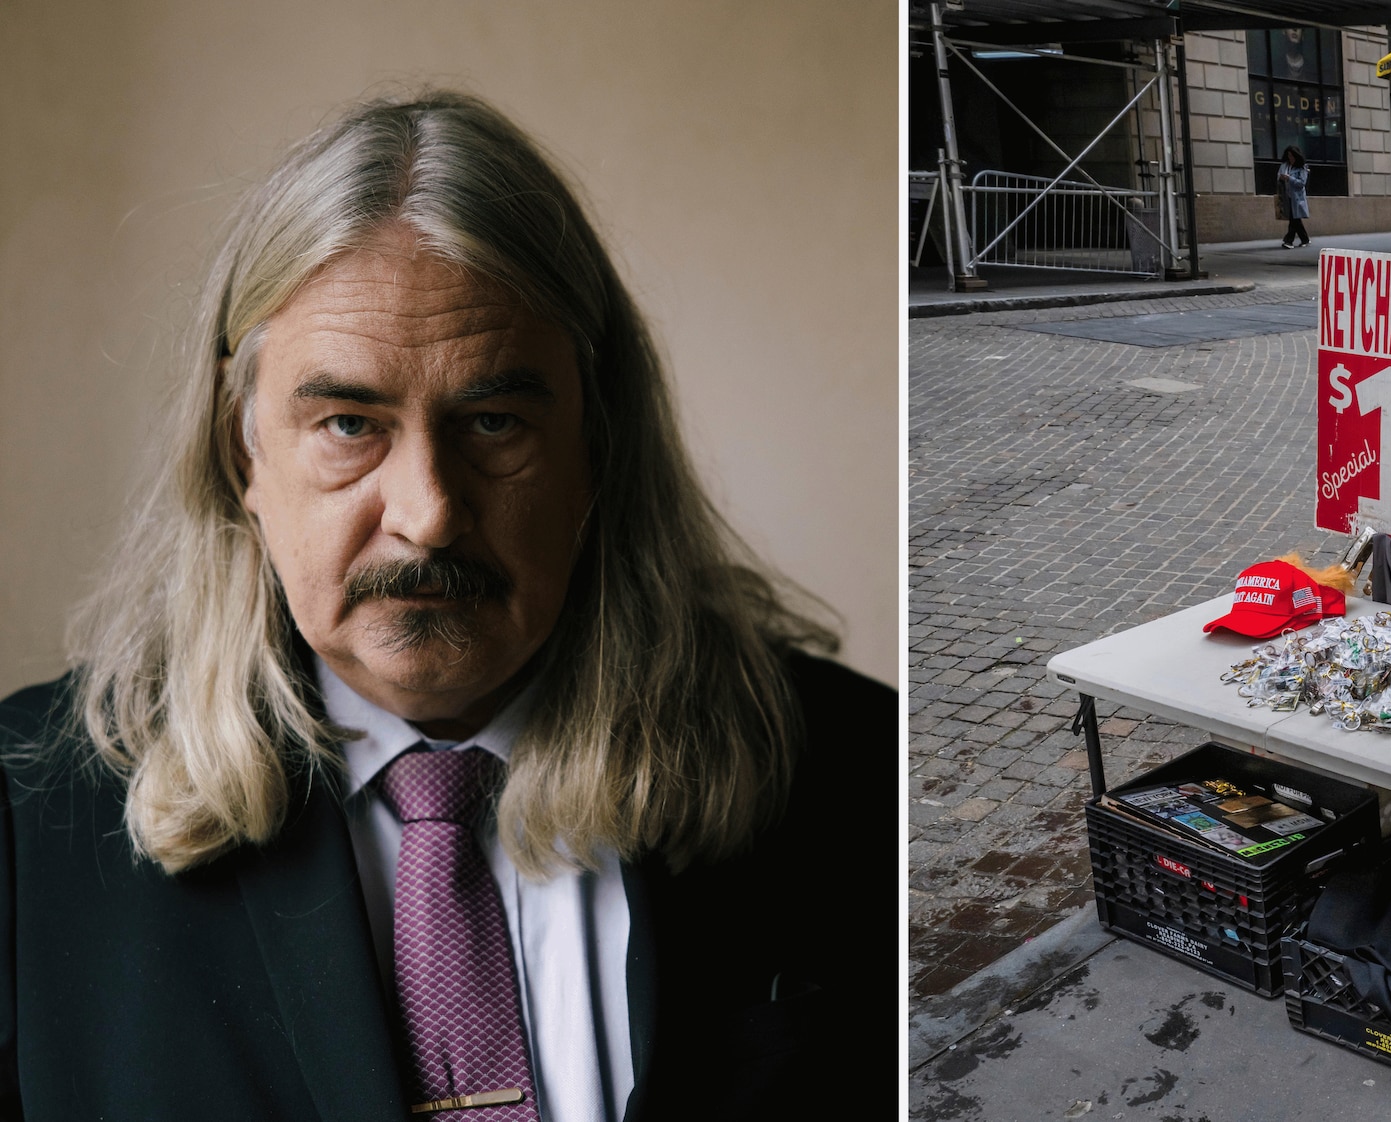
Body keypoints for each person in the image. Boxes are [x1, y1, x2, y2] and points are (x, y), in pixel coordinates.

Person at [0, 91, 893, 1119]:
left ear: (594, 445)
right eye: (347, 422)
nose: (427, 515)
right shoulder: (26, 829)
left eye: (494, 421)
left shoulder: (850, 769)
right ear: (238, 448)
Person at [1277, 145, 1312, 248]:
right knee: (1295, 220)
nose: (1290, 158)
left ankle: (1289, 241)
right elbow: (1279, 175)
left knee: (1293, 219)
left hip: (1297, 197)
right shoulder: (1284, 165)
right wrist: (1281, 178)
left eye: (1292, 156)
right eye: (1289, 156)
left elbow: (1301, 183)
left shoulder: (1302, 168)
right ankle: (1304, 239)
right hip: (1287, 196)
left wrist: (1290, 178)